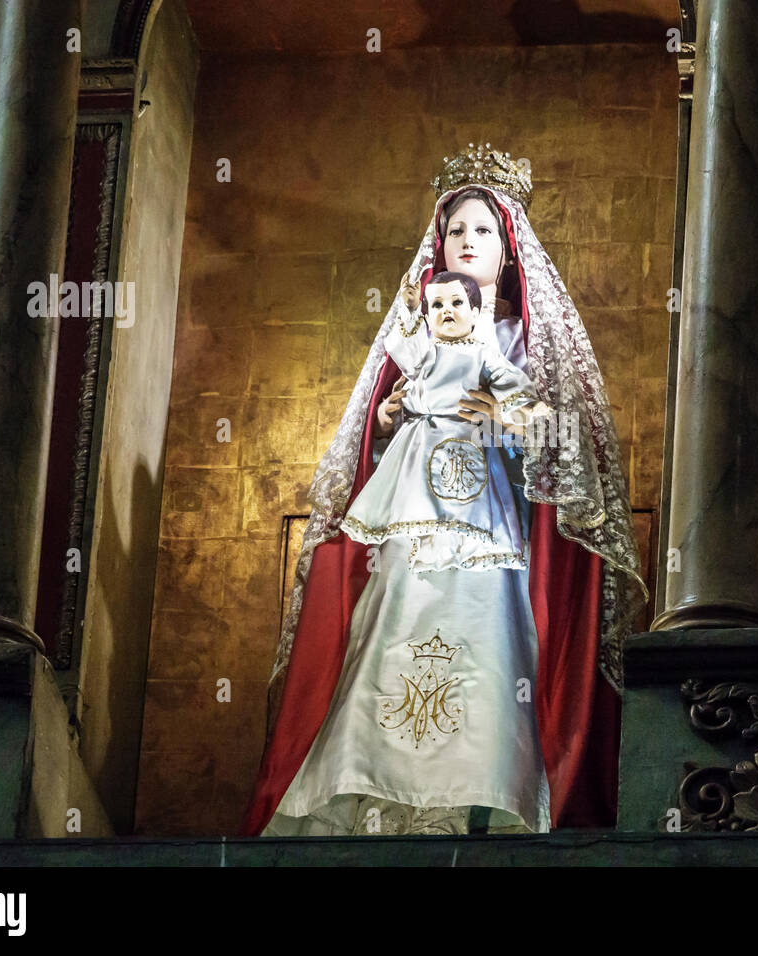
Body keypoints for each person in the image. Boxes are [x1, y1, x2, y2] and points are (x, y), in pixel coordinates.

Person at [242, 144, 646, 836]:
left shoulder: (529, 339)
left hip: (496, 534)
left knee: (489, 641)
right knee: (391, 632)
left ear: (509, 247)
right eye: (455, 229)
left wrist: (507, 425)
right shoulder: (417, 334)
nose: (467, 240)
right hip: (412, 533)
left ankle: (482, 801)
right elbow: (371, 441)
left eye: (482, 229)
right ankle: (371, 798)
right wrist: (389, 420)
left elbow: (572, 446)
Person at [342, 270, 547, 573]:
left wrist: (513, 414)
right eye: (436, 305)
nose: (447, 310)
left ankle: (460, 557)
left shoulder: (484, 355)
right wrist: (410, 310)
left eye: (456, 302)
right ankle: (422, 556)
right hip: (419, 443)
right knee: (417, 511)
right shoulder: (425, 354)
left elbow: (512, 388)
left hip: (467, 439)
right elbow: (405, 351)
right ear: (427, 316)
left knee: (466, 513)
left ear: (475, 313)